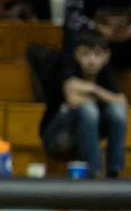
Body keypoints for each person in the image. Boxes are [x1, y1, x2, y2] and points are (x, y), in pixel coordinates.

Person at [39, 28, 126, 178]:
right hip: (57, 135)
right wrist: (98, 93)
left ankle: (114, 171)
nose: (92, 60)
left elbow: (121, 102)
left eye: (97, 54)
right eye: (86, 54)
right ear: (77, 54)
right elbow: (72, 99)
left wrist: (92, 89)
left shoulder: (106, 73)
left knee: (117, 112)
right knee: (88, 108)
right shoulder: (66, 67)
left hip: (88, 134)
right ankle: (94, 173)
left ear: (106, 56)